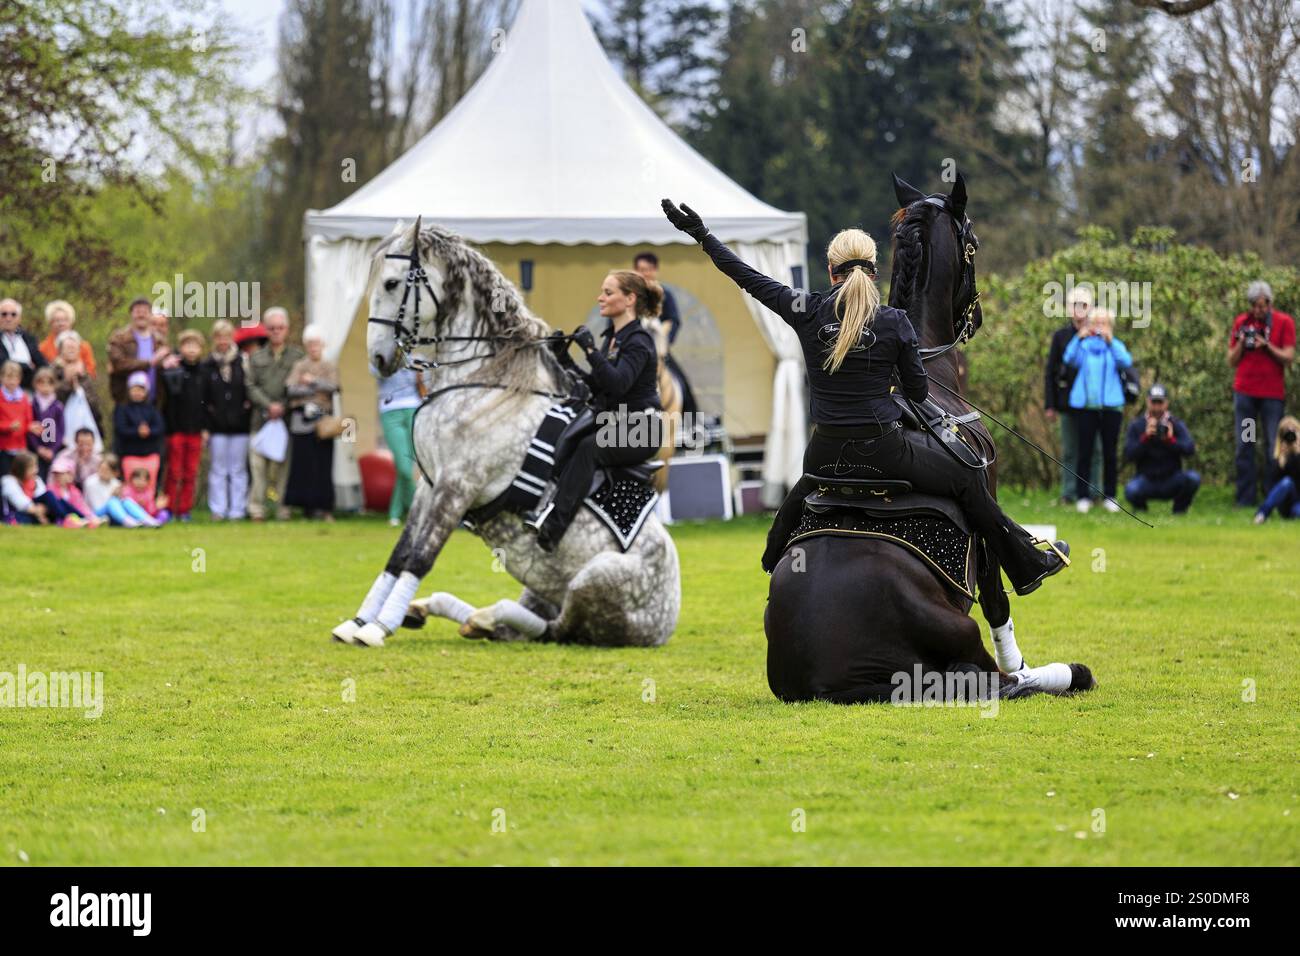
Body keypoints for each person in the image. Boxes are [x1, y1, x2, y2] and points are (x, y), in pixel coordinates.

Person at [661, 198, 1069, 592]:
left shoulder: (805, 308)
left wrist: (703, 236)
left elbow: (746, 277)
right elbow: (916, 391)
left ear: (830, 270)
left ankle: (772, 554)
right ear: (874, 271)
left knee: (803, 488)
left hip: (823, 456)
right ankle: (1026, 564)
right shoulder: (895, 322)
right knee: (968, 478)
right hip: (883, 454)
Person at [529, 270, 664, 553]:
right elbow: (597, 387)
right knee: (566, 438)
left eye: (608, 292)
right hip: (615, 423)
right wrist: (564, 359)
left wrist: (590, 349)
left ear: (629, 299)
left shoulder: (639, 341)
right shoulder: (612, 339)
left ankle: (553, 529)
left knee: (590, 447)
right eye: (602, 292)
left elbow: (618, 384)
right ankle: (544, 508)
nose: (599, 298)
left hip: (643, 430)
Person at [1229, 280, 1295, 508]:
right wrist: (1240, 342)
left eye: (1263, 305)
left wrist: (1267, 346)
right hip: (1246, 396)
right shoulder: (1241, 322)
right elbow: (1231, 360)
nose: (1259, 310)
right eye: (1255, 306)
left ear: (1270, 303)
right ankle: (1245, 498)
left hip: (1271, 396)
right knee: (1246, 445)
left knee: (1272, 447)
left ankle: (1272, 496)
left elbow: (1288, 357)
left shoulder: (1284, 322)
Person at [1062, 306, 1132, 513]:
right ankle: (1083, 495)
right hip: (1086, 407)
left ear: (1109, 325)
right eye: (1095, 323)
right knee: (1085, 451)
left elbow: (1126, 361)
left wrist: (1111, 341)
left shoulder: (1114, 346)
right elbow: (1068, 359)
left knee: (1110, 452)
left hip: (1111, 407)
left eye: (1103, 323)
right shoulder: (1083, 346)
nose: (1099, 327)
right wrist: (1079, 338)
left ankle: (1110, 495)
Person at [1043, 287, 1101, 504]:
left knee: (1095, 449)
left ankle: (1095, 493)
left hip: (1093, 403)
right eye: (1076, 305)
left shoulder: (1098, 334)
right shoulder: (1060, 337)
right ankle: (1069, 493)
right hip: (1067, 402)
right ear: (1069, 309)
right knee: (1070, 450)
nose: (1080, 310)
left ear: (1090, 308)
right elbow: (1050, 372)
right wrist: (1050, 405)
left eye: (1084, 305)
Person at [246, 307, 304, 521]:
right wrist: (268, 405)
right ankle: (256, 510)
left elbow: (300, 386)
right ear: (266, 330)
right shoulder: (256, 357)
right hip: (260, 422)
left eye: (280, 328)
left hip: (286, 422)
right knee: (258, 468)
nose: (276, 332)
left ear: (287, 329)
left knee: (283, 470)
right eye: (272, 328)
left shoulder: (298, 356)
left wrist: (283, 406)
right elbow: (249, 385)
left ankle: (283, 509)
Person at [283, 324, 339, 520]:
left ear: (323, 345)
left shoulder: (329, 366)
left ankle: (324, 507)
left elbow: (333, 387)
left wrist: (311, 382)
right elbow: (290, 389)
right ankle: (302, 506)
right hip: (301, 420)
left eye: (317, 343)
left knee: (323, 465)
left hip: (323, 422)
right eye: (310, 343)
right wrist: (313, 389)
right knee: (302, 465)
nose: (314, 347)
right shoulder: (299, 365)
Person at [633, 251, 698, 417]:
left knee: (682, 384)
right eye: (640, 269)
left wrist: (663, 340)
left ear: (655, 270)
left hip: (659, 351)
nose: (644, 273)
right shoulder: (629, 295)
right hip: (632, 351)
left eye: (648, 269)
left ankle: (689, 426)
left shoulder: (665, 294)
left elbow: (673, 320)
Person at [201, 319, 252, 521]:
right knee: (218, 469)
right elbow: (203, 398)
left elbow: (249, 389)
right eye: (219, 337)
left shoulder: (243, 362)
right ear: (214, 339)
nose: (223, 341)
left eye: (226, 337)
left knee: (238, 469)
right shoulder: (208, 365)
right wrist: (206, 424)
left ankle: (237, 509)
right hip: (216, 426)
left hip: (240, 424)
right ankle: (218, 509)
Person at [1123, 384, 1200, 514]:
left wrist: (1171, 441)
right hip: (1146, 479)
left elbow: (1190, 450)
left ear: (1166, 403)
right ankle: (1142, 510)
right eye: (1154, 402)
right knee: (1131, 490)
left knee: (1193, 478)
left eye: (1160, 402)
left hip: (1172, 478)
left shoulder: (1175, 424)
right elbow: (1128, 455)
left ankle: (1179, 510)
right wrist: (1145, 438)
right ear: (1148, 402)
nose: (1157, 407)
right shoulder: (1137, 425)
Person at [160, 329, 206, 521]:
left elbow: (207, 402)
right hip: (176, 429)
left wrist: (205, 428)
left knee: (190, 472)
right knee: (174, 472)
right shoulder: (173, 370)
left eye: (195, 346)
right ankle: (169, 507)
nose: (191, 350)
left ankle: (185, 509)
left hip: (195, 430)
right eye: (187, 345)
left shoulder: (204, 372)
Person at [373, 363, 422, 526]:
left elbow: (426, 383)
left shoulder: (417, 359)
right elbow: (376, 371)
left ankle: (395, 513)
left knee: (409, 464)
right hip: (390, 410)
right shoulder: (383, 355)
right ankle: (420, 510)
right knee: (403, 467)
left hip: (414, 410)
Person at [107, 297, 170, 406]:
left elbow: (162, 367)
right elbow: (119, 364)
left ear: (150, 315)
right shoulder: (119, 338)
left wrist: (167, 364)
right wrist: (150, 362)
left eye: (145, 312)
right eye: (137, 312)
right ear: (131, 314)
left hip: (154, 403)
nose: (141, 315)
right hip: (126, 402)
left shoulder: (159, 341)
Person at [113, 370, 164, 496]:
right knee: (130, 487)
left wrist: (148, 431)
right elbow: (121, 429)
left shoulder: (152, 408)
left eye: (141, 390)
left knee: (149, 485)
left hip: (150, 454)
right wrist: (137, 432)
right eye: (134, 389)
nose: (137, 393)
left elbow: (160, 427)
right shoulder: (122, 408)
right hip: (130, 454)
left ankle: (149, 508)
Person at [51, 329, 104, 445]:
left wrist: (81, 380)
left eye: (74, 347)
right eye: (68, 347)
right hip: (58, 430)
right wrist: (68, 383)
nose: (71, 350)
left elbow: (95, 403)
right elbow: (50, 400)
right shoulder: (52, 371)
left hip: (84, 430)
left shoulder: (85, 373)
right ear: (60, 350)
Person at [3, 451, 84, 525]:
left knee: (57, 499)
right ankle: (66, 519)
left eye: (36, 467)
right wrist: (39, 513)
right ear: (21, 469)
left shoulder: (36, 480)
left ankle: (82, 518)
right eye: (32, 468)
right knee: (25, 518)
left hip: (38, 511)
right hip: (19, 513)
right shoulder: (9, 481)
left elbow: (45, 498)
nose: (36, 471)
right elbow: (22, 504)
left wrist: (42, 511)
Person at [83, 454, 159, 527]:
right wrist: (112, 497)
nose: (103, 472)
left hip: (114, 513)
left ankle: (147, 519)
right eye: (101, 469)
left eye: (107, 470)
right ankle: (127, 521)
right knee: (112, 501)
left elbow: (120, 505)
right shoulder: (91, 482)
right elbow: (96, 506)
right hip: (96, 514)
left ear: (114, 473)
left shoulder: (116, 483)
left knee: (126, 501)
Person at [1254, 416, 1300, 522]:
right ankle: (1262, 514)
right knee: (1286, 482)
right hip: (1285, 502)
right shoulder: (1277, 457)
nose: (1290, 435)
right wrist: (1282, 459)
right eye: (1286, 432)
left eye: (1294, 431)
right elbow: (1271, 485)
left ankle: (1293, 515)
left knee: (1297, 511)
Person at [37, 300, 96, 375]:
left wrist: (80, 370)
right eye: (57, 320)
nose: (61, 324)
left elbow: (92, 372)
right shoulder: (43, 348)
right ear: (50, 322)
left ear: (71, 322)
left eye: (65, 320)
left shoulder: (84, 346)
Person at [0, 299, 47, 390]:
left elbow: (41, 363)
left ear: (19, 318)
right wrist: (27, 366)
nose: (8, 318)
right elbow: (3, 363)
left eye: (13, 314)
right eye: (4, 314)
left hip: (30, 388)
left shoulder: (28, 338)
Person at [28, 367, 64, 480]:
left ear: (54, 386)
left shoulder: (57, 406)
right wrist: (38, 448)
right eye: (41, 383)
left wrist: (53, 450)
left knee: (51, 478)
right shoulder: (32, 404)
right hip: (35, 450)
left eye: (49, 384)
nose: (45, 388)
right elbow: (29, 426)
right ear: (36, 384)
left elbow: (61, 430)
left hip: (52, 451)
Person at [0, 360, 34, 479]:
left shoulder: (24, 398)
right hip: (4, 448)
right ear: (2, 377)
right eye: (8, 377)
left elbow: (28, 421)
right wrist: (9, 426)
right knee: (6, 480)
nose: (12, 381)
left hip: (20, 448)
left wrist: (31, 427)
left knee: (20, 479)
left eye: (15, 378)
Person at [46, 458, 100, 527]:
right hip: (59, 519)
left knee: (80, 515)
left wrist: (91, 516)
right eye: (56, 474)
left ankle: (90, 521)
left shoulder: (74, 491)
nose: (57, 476)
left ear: (70, 475)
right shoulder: (51, 489)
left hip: (74, 515)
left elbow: (82, 506)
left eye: (61, 474)